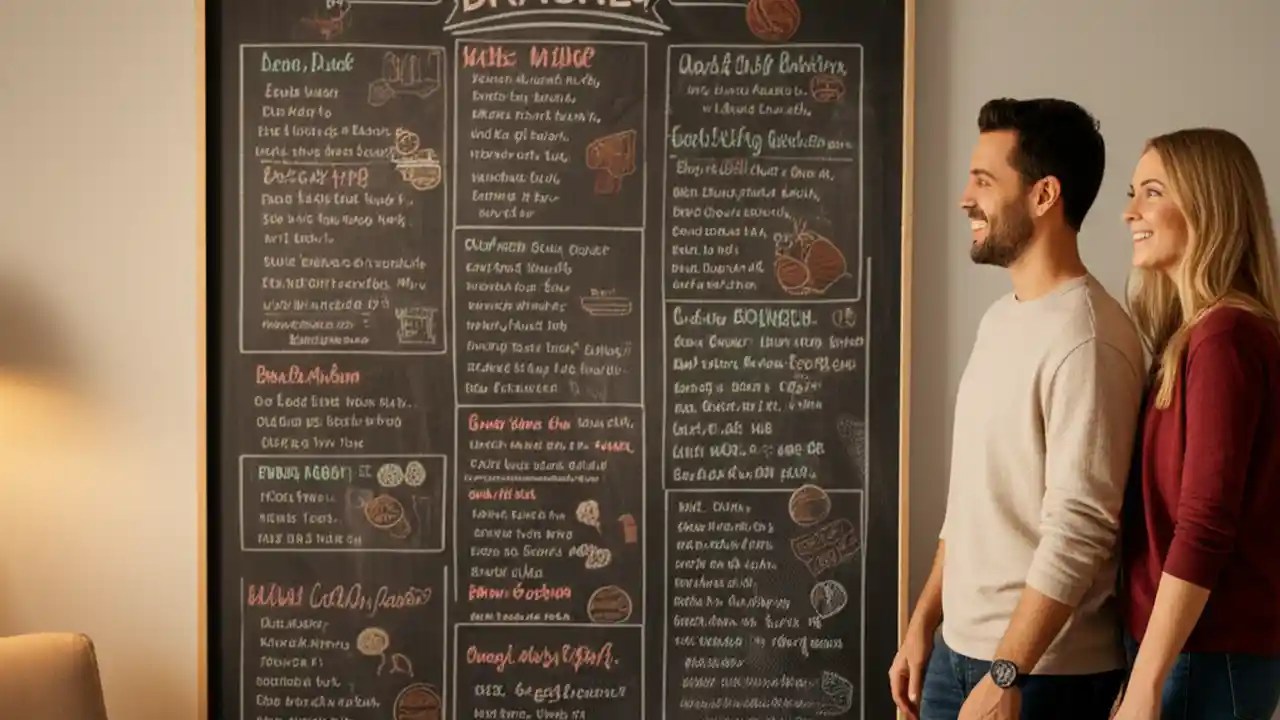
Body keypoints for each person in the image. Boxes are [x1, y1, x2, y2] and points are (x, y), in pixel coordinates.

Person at [889, 97, 1146, 720]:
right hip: (957, 655)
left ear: (1044, 195)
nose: (965, 199)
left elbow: (1081, 528)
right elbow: (970, 501)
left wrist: (1007, 672)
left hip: (1042, 677)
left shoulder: (1089, 338)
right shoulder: (1000, 319)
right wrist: (924, 621)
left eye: (984, 180)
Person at [1111, 128, 1280, 719]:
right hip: (1183, 649)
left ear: (1209, 206)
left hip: (1205, 656)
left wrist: (1147, 682)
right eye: (1133, 193)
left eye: (1152, 192)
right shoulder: (1191, 338)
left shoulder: (1225, 338)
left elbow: (1205, 524)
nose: (1130, 212)